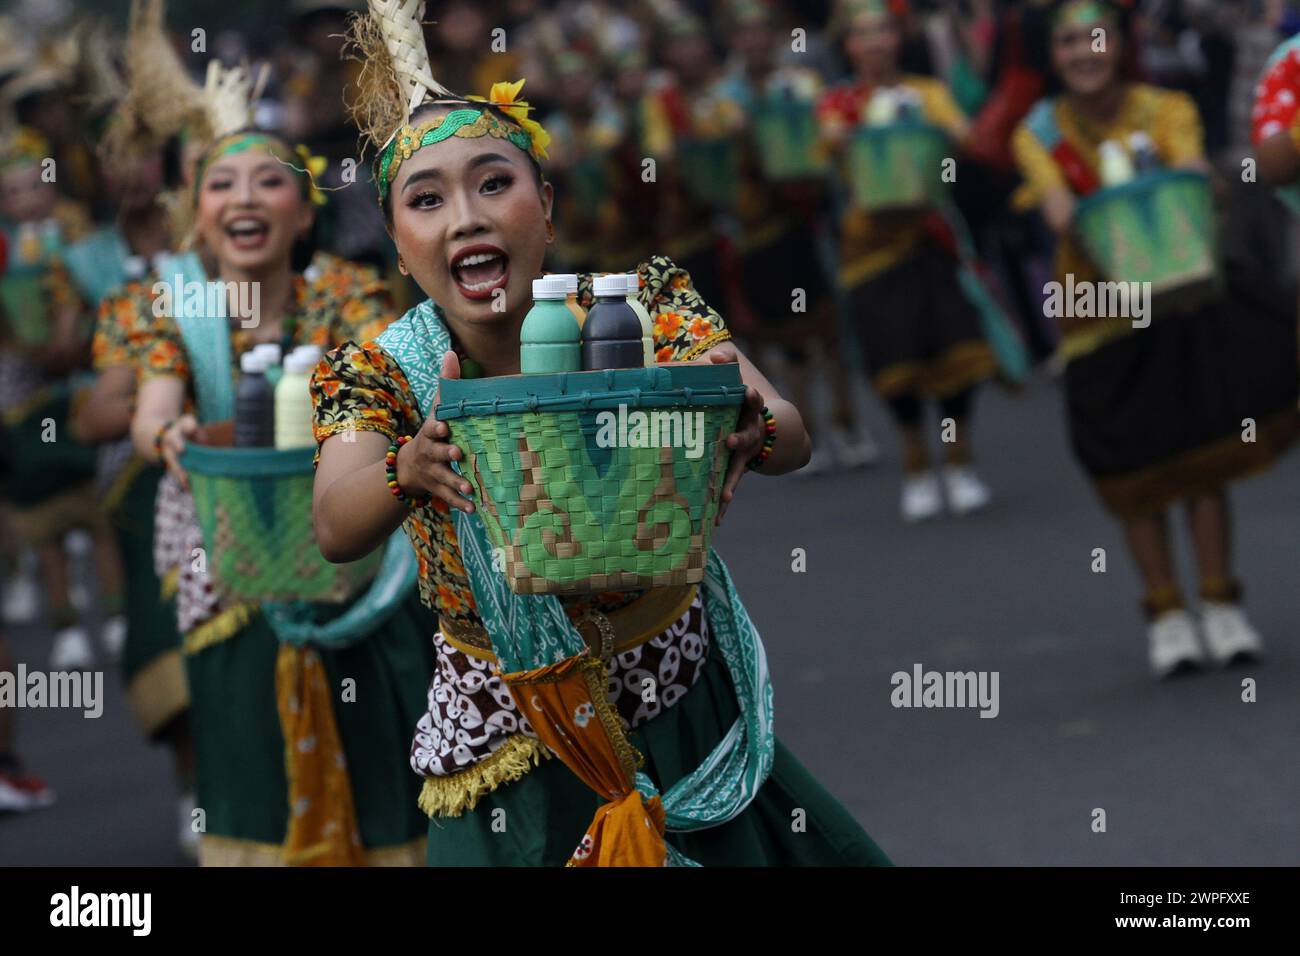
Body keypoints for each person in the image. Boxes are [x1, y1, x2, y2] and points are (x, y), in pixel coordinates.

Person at [312, 0, 891, 867]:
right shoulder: (384, 372)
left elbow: (788, 433)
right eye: (426, 201)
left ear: (545, 206)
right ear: (398, 247)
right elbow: (334, 521)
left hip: (680, 710)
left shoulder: (641, 307)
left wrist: (749, 421)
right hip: (519, 748)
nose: (465, 217)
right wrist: (411, 466)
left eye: (493, 182)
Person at [127, 55, 433, 865]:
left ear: (303, 215)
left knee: (380, 744)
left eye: (271, 183)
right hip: (228, 557)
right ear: (198, 216)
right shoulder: (177, 302)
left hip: (358, 553)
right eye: (223, 186)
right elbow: (153, 407)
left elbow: (380, 386)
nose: (246, 200)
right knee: (254, 752)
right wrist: (169, 436)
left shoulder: (348, 292)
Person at [1011, 0, 1300, 678]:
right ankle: (1165, 612)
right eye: (1069, 42)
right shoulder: (1040, 130)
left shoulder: (1165, 107)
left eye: (1097, 37)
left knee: (1202, 455)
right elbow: (1056, 208)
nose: (1085, 53)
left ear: (1121, 43)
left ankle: (1222, 603)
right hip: (1099, 314)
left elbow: (1191, 165)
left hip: (1177, 294)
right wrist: (1078, 211)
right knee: (1133, 468)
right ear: (1053, 56)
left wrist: (1202, 185)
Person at [817, 0, 997, 520]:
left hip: (928, 239)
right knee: (897, 364)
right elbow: (825, 147)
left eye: (883, 32)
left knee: (957, 353)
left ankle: (961, 461)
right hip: (869, 251)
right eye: (862, 35)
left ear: (898, 39)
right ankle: (916, 464)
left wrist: (939, 136)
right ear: (848, 46)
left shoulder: (928, 92)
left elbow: (963, 138)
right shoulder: (838, 103)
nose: (874, 43)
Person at [718, 0, 880, 476]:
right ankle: (801, 430)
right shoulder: (725, 98)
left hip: (807, 225)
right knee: (785, 339)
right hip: (758, 235)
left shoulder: (802, 83)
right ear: (733, 41)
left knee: (829, 332)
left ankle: (848, 422)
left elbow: (825, 139)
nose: (753, 41)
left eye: (760, 31)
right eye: (742, 33)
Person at [0, 122, 125, 670]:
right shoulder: (5, 245)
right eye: (11, 191)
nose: (24, 198)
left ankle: (117, 612)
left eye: (34, 184)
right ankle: (63, 619)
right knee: (41, 516)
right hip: (24, 395)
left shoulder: (76, 236)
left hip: (78, 386)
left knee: (95, 511)